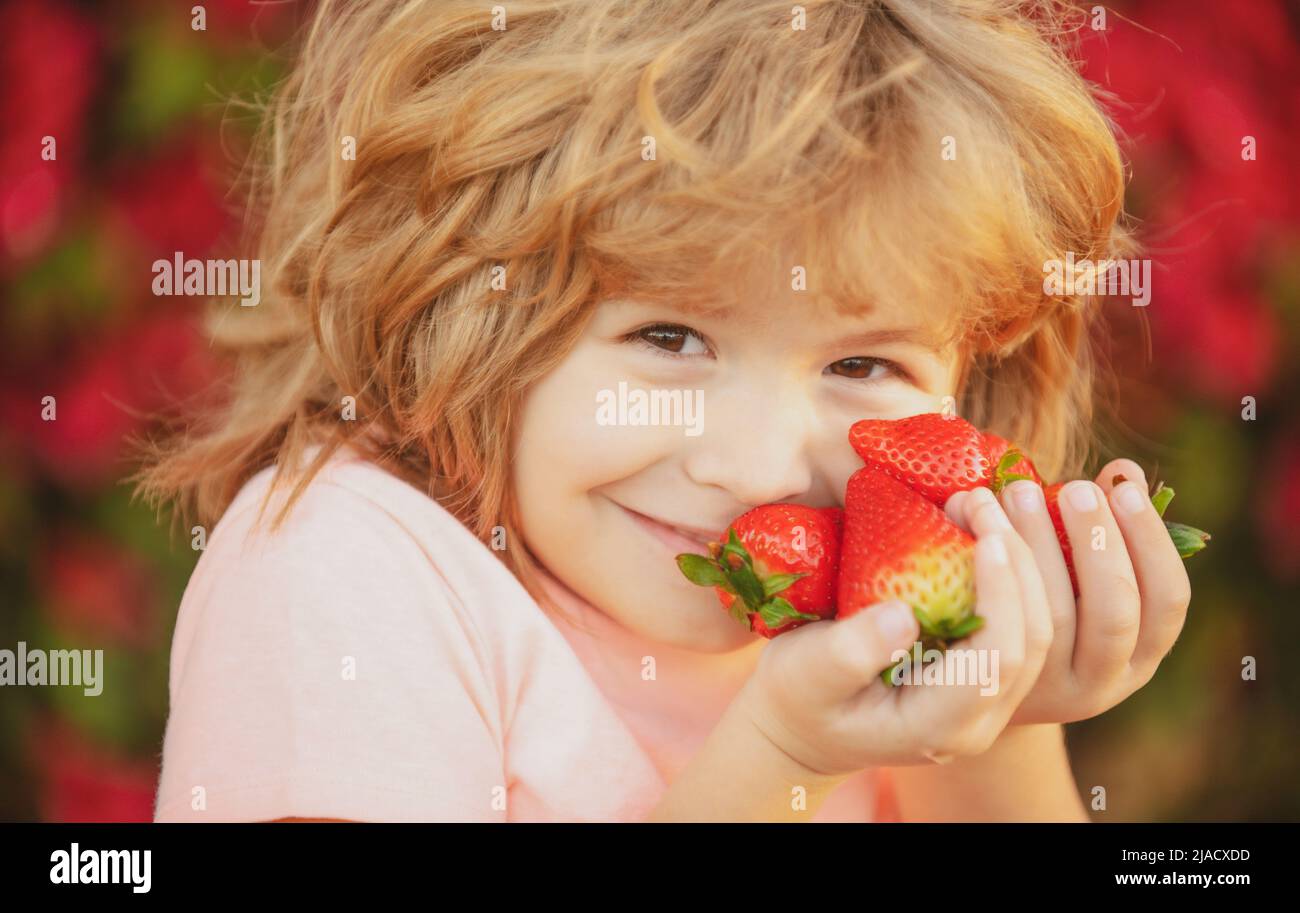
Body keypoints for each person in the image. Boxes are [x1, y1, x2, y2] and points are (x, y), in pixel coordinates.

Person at [134, 0, 1191, 822]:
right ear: (464, 303)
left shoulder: (871, 596)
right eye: (669, 338)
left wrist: (993, 713)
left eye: (864, 359)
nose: (760, 469)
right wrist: (780, 760)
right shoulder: (351, 574)